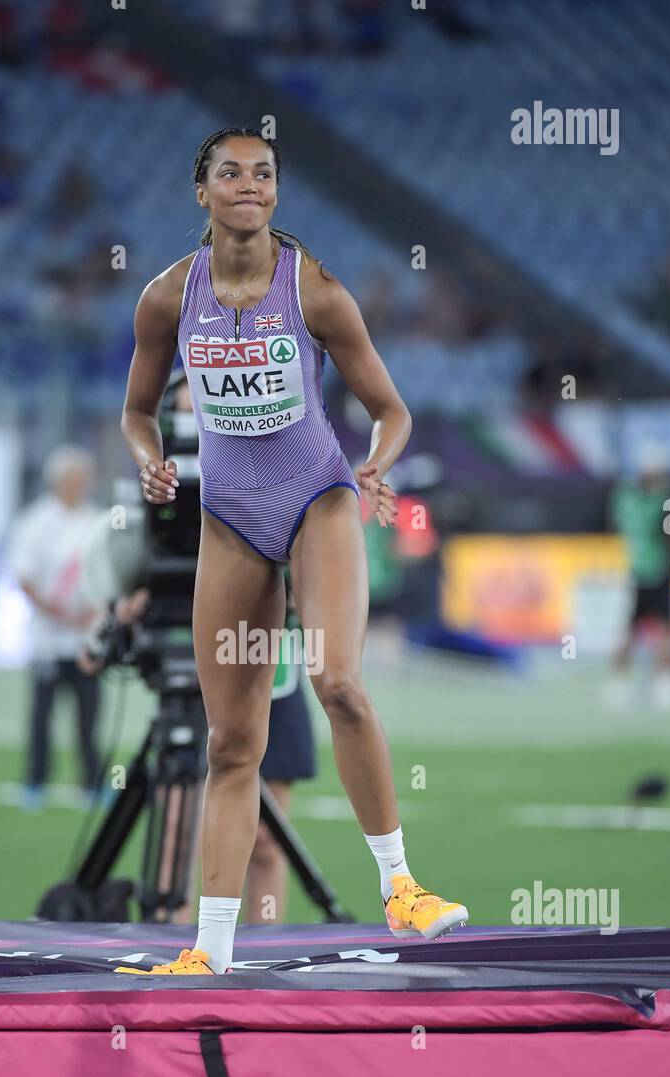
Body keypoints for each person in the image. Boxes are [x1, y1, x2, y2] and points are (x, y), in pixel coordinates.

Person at [118, 126, 468, 974]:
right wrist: (150, 462)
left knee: (337, 681)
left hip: (317, 495)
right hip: (230, 515)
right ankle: (210, 951)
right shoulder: (168, 297)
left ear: (278, 191)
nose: (250, 184)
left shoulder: (315, 292)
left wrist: (379, 465)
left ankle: (400, 885)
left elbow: (391, 409)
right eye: (231, 173)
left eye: (264, 173)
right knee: (230, 745)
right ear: (202, 191)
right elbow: (135, 411)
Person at [8, 444, 106, 810]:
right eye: (73, 480)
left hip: (85, 638)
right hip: (48, 637)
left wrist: (93, 612)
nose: (80, 486)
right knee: (42, 715)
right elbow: (24, 576)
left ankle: (93, 782)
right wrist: (58, 612)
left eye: (84, 480)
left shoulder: (96, 520)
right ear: (57, 481)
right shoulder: (35, 522)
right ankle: (35, 781)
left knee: (89, 715)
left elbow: (106, 574)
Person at [606, 445, 670, 708]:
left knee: (631, 628)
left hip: (638, 567)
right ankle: (665, 686)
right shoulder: (658, 500)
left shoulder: (626, 498)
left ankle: (618, 684)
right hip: (658, 568)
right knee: (663, 629)